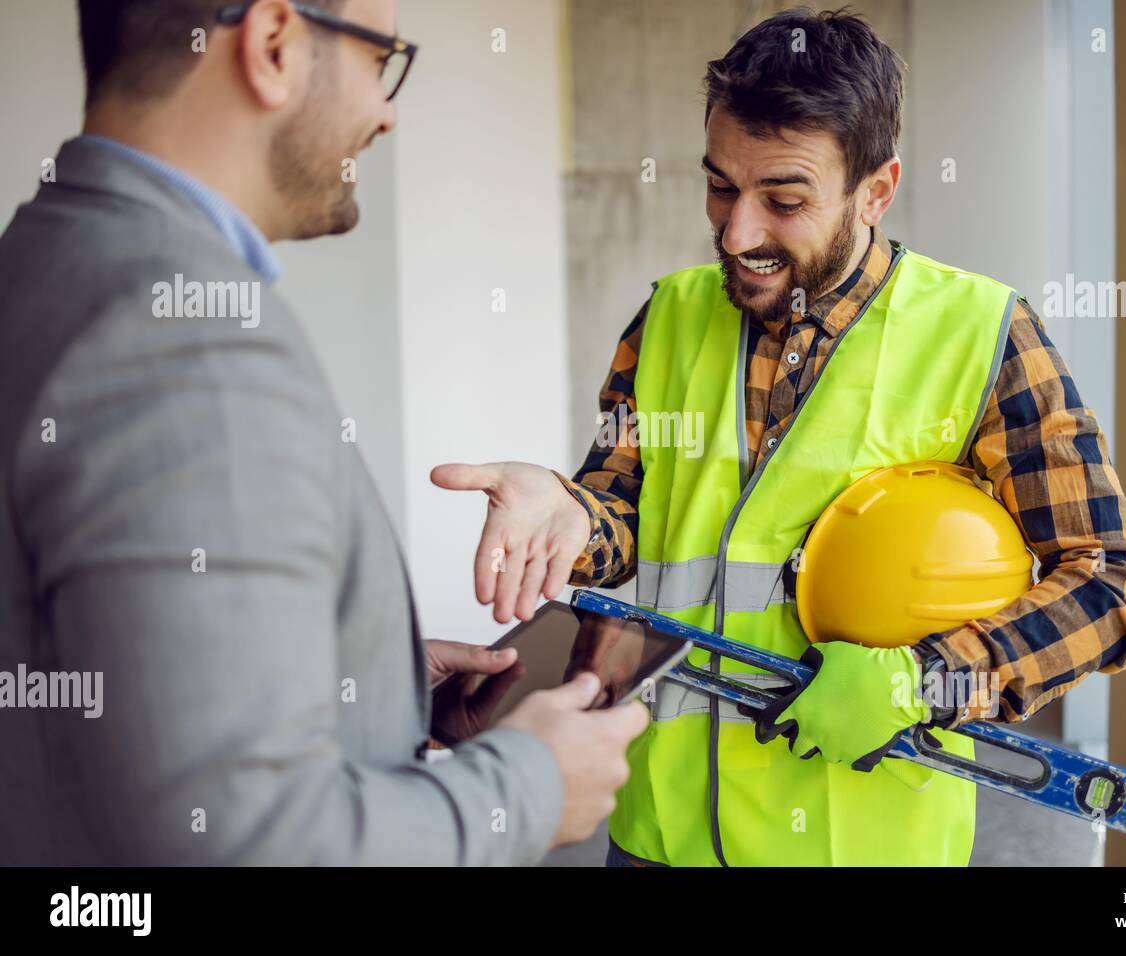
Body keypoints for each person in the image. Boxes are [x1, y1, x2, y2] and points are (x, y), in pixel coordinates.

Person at [433, 8, 1126, 866]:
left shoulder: (984, 334)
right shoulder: (668, 316)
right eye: (719, 187)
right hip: (656, 837)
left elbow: (1113, 585)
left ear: (876, 190)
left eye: (783, 199)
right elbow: (624, 513)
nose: (738, 233)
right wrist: (567, 510)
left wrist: (923, 681)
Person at [0, 0, 647, 866]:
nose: (386, 111)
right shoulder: (183, 346)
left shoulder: (41, 261)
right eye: (382, 58)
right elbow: (243, 841)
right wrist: (526, 787)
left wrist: (363, 690)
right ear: (272, 44)